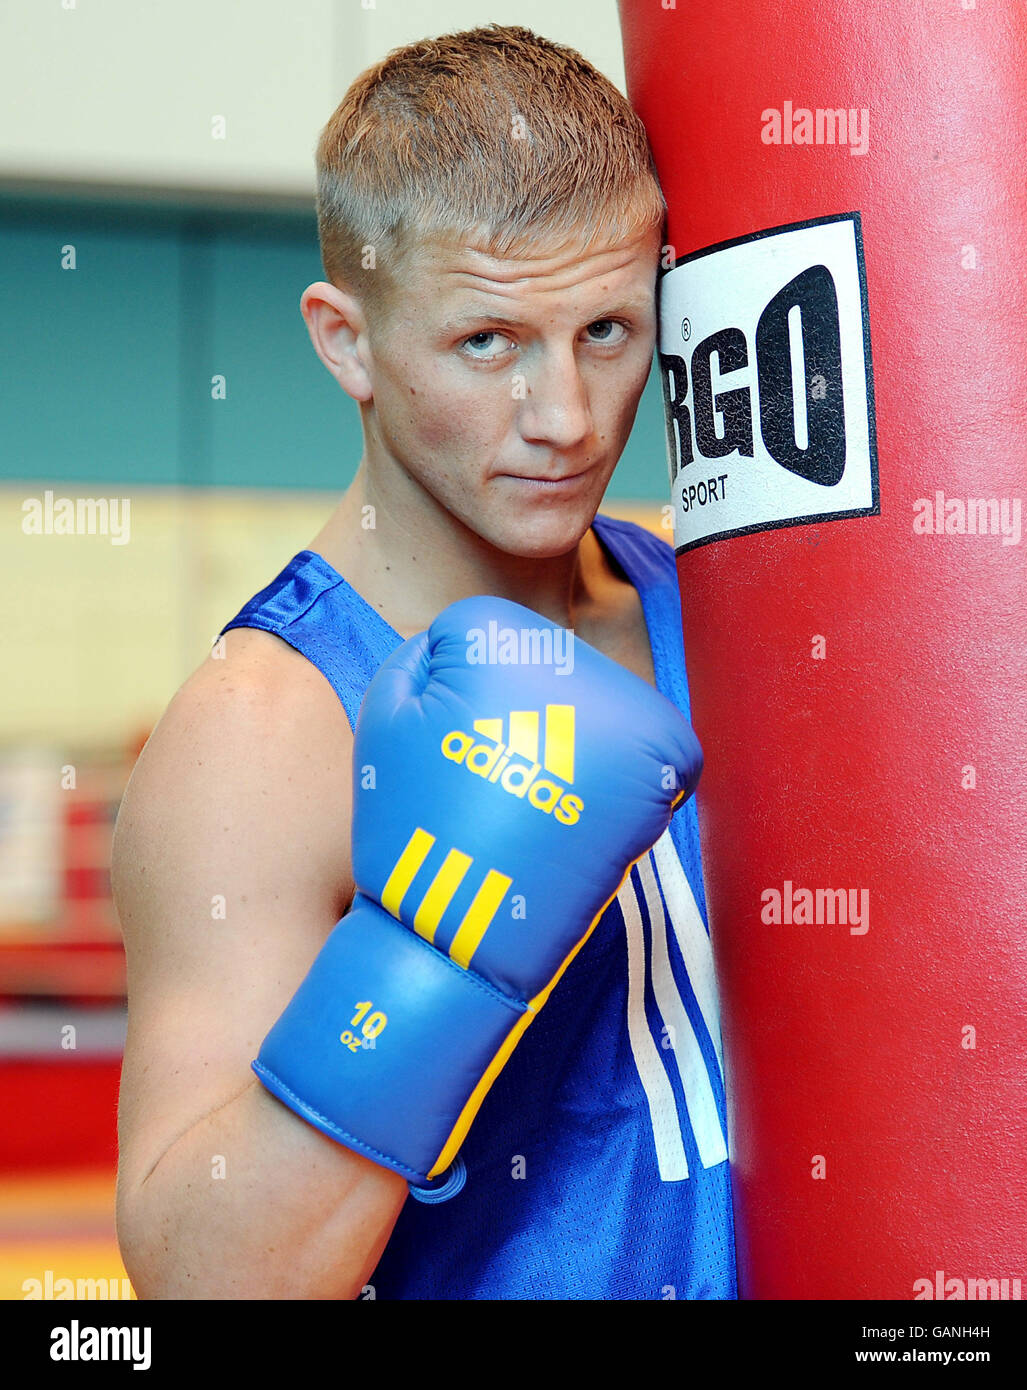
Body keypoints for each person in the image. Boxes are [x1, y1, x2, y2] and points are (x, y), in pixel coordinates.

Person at [111, 23, 737, 1300]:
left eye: (607, 330)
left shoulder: (723, 605)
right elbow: (205, 1286)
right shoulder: (264, 731)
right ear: (346, 341)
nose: (564, 417)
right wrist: (433, 954)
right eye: (486, 343)